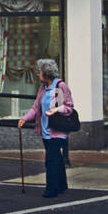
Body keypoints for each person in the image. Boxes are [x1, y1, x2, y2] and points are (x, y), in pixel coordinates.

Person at [18, 58, 74, 199]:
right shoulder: (43, 88)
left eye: (40, 72)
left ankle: (51, 189)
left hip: (57, 131)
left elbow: (68, 107)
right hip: (45, 131)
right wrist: (25, 118)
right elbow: (36, 107)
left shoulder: (60, 87)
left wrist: (55, 110)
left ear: (46, 73)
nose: (38, 74)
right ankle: (62, 185)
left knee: (51, 160)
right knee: (56, 158)